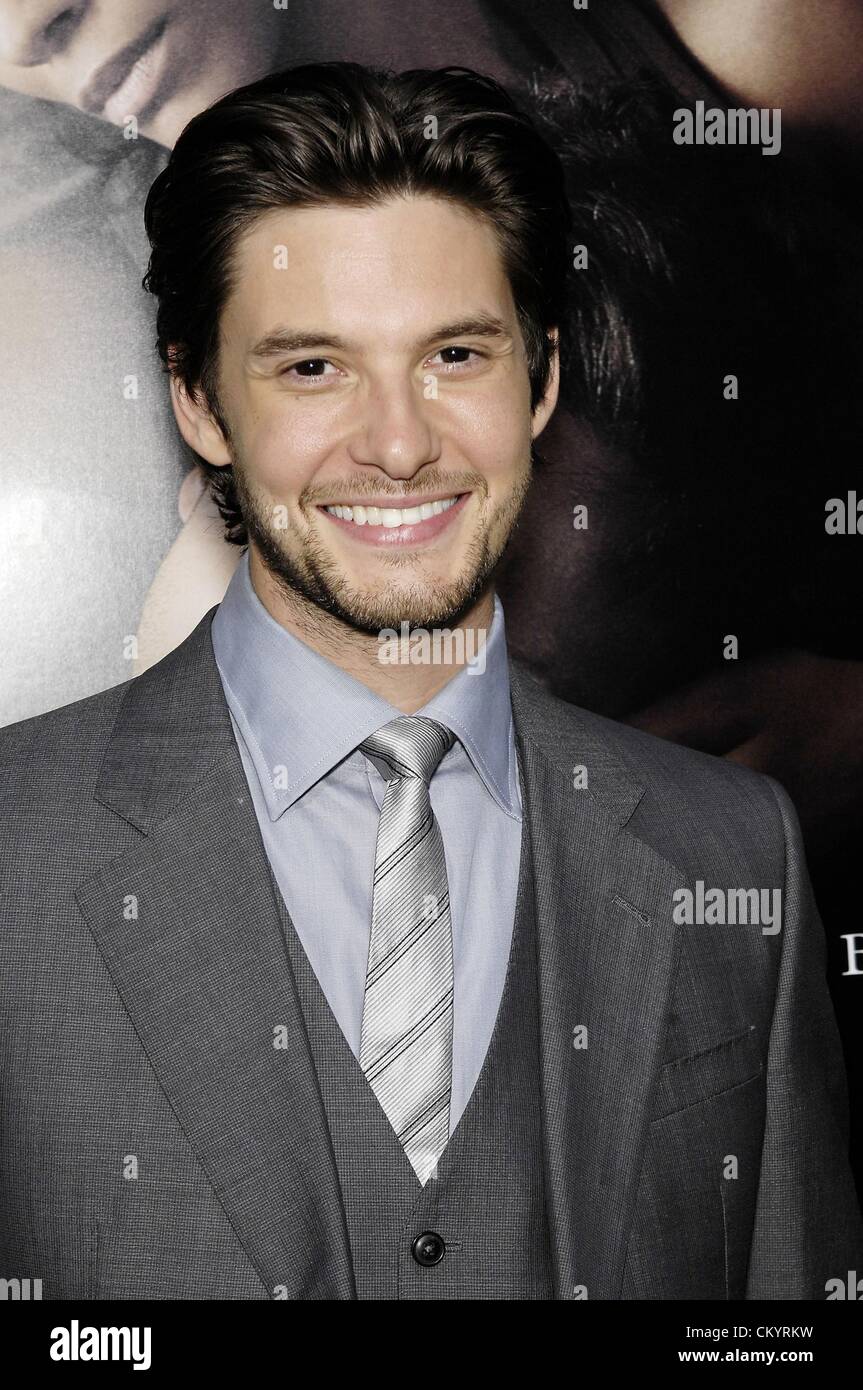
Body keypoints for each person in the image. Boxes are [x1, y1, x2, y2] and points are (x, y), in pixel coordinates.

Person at [1, 62, 859, 1301]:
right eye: (311, 369)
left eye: (456, 357)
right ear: (194, 401)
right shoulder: (21, 844)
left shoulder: (730, 863)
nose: (396, 448)